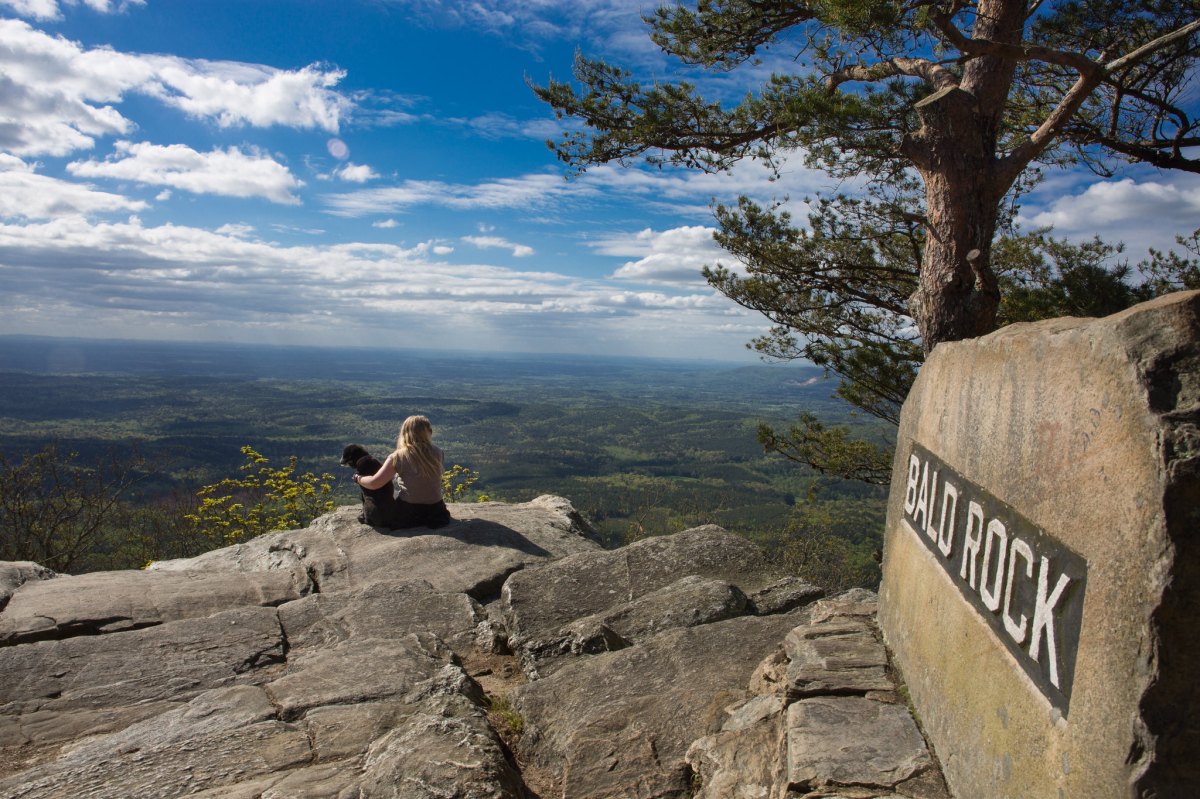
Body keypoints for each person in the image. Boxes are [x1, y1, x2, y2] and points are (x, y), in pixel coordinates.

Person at [354, 415, 452, 529]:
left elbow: (374, 483)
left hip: (409, 513)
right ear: (429, 432)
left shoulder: (398, 456)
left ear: (404, 433)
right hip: (437, 512)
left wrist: (358, 478)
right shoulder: (438, 452)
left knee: (387, 494)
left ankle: (368, 516)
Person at [340, 444, 398, 527]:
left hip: (376, 514)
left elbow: (367, 492)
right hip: (390, 511)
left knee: (367, 497)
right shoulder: (373, 461)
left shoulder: (363, 466)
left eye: (348, 463)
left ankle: (367, 518)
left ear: (351, 460)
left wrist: (358, 479)